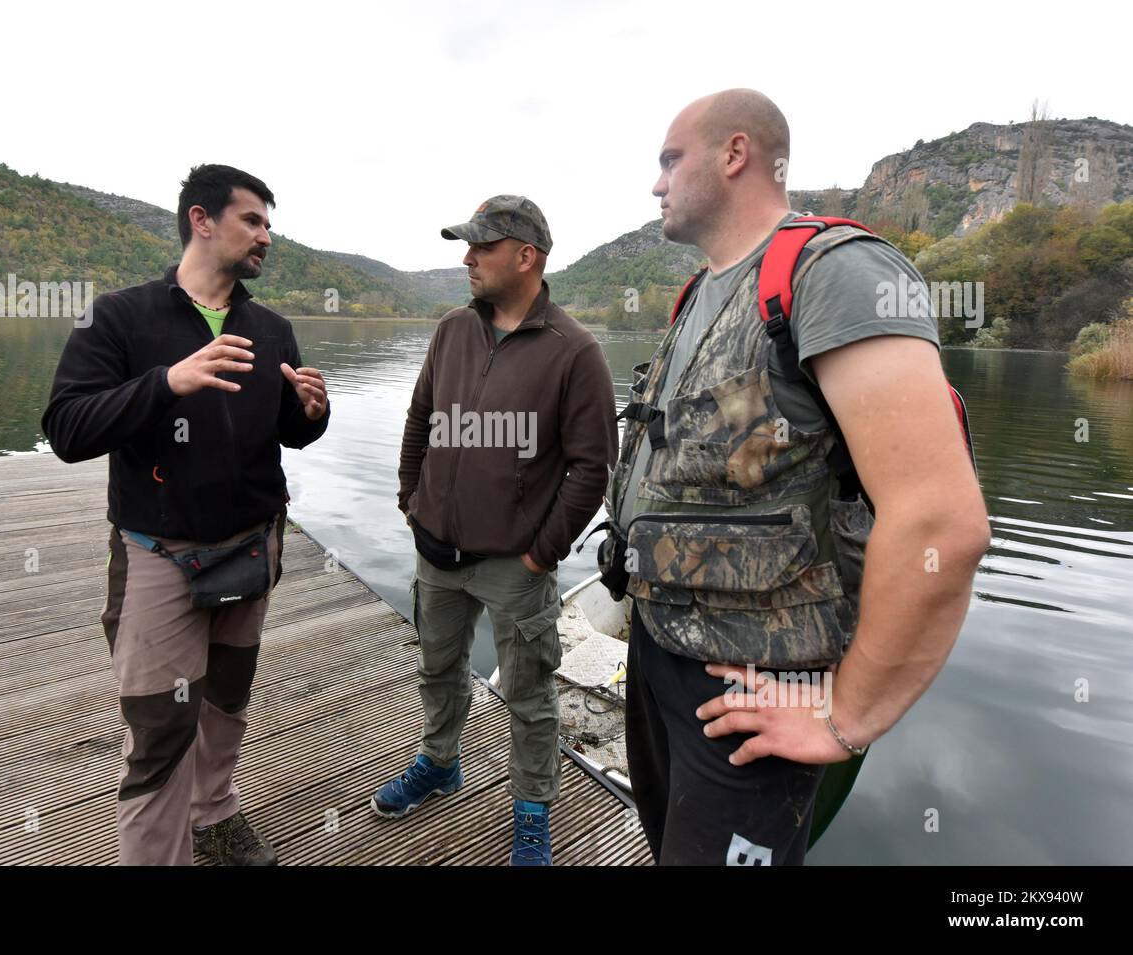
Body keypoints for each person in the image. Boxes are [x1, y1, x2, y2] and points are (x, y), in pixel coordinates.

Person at [612, 90, 990, 864]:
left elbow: (940, 527)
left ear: (735, 154)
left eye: (668, 160)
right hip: (659, 661)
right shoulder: (699, 296)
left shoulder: (833, 272)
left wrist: (845, 716)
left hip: (757, 690)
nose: (656, 184)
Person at [42, 164, 330, 865]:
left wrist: (312, 412)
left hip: (253, 547)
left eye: (269, 223)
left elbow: (290, 432)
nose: (266, 236)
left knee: (227, 699)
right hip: (158, 555)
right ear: (202, 220)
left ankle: (216, 814)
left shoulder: (271, 328)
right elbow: (68, 429)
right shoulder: (119, 316)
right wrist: (166, 382)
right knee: (161, 727)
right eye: (252, 221)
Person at [376, 195, 618, 865]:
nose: (467, 258)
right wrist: (410, 497)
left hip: (516, 564)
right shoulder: (453, 328)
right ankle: (439, 762)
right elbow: (421, 417)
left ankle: (532, 809)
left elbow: (591, 466)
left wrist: (541, 554)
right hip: (435, 550)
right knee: (437, 668)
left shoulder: (576, 351)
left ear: (525, 256)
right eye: (466, 245)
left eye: (481, 247)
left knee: (531, 694)